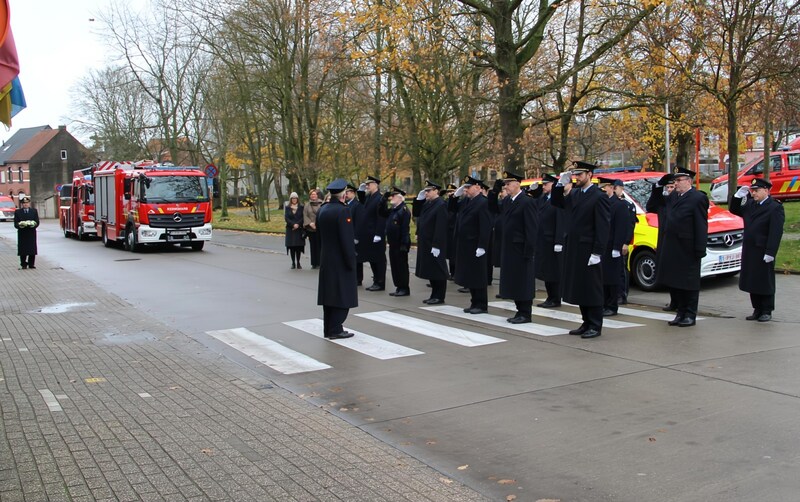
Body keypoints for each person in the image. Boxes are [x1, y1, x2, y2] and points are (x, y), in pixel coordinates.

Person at [551, 161, 610, 339]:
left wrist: (598, 252)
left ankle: (595, 324)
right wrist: (560, 184)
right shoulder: (575, 193)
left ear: (590, 175)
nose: (577, 178)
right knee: (580, 287)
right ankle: (586, 322)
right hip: (575, 247)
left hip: (589, 248)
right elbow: (557, 202)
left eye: (580, 174)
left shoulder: (599, 196)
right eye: (575, 175)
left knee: (592, 288)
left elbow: (603, 226)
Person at [646, 167, 708, 327]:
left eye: (679, 180)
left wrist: (700, 248)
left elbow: (701, 225)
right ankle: (680, 312)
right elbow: (653, 205)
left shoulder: (697, 198)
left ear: (688, 181)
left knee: (689, 283)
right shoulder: (673, 196)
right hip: (672, 246)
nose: (676, 183)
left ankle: (690, 314)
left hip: (688, 247)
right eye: (675, 181)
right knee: (677, 282)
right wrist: (658, 187)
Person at [729, 178, 785, 322]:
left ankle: (766, 309)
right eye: (752, 191)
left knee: (764, 280)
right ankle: (757, 308)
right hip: (750, 248)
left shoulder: (774, 207)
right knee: (752, 279)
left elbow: (776, 232)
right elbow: (734, 210)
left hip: (763, 249)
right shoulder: (750, 205)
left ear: (766, 190)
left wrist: (771, 252)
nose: (754, 194)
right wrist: (737, 197)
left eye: (757, 190)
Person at [495, 171, 539, 323]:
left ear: (517, 184)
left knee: (523, 281)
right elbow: (493, 208)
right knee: (513, 280)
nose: (506, 186)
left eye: (509, 184)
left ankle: (525, 313)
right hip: (509, 248)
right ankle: (519, 310)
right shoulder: (508, 201)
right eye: (505, 184)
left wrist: (529, 251)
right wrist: (494, 191)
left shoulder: (527, 202)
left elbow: (531, 229)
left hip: (521, 249)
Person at [316, 179, 357, 339]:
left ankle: (329, 328)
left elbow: (319, 237)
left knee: (330, 296)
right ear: (344, 194)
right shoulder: (343, 211)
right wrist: (351, 261)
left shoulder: (323, 209)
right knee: (342, 295)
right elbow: (346, 239)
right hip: (340, 260)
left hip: (327, 258)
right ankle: (336, 329)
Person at [453, 176, 492, 314]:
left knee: (478, 275)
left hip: (476, 244)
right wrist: (454, 196)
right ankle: (474, 302)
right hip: (465, 244)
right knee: (469, 275)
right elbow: (452, 209)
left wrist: (482, 245)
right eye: (465, 188)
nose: (466, 190)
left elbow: (485, 226)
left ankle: (481, 304)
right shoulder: (466, 202)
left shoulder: (483, 203)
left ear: (477, 187)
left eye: (468, 188)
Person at [597, 178, 630, 316]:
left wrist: (618, 246)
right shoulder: (604, 203)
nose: (603, 190)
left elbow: (621, 227)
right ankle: (604, 303)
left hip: (612, 246)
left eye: (604, 187)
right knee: (603, 277)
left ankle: (612, 305)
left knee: (612, 277)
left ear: (611, 188)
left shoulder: (619, 205)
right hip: (603, 245)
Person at [414, 180, 449, 304]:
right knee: (431, 270)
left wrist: (437, 245)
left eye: (429, 191)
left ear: (436, 191)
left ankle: (439, 296)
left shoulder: (441, 204)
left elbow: (440, 226)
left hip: (435, 243)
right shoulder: (428, 204)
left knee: (438, 270)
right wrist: (418, 200)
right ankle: (434, 294)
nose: (426, 193)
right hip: (426, 242)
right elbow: (418, 216)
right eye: (425, 191)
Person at [646, 175, 678, 311]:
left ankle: (680, 303)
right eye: (668, 187)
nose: (670, 190)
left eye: (672, 187)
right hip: (664, 243)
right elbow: (650, 206)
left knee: (678, 276)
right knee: (669, 275)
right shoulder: (663, 202)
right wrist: (657, 187)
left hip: (677, 244)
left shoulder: (679, 202)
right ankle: (673, 302)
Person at [534, 174, 564, 308]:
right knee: (545, 270)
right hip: (542, 240)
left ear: (553, 184)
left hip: (552, 241)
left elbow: (560, 221)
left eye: (546, 184)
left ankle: (555, 297)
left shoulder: (557, 199)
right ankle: (549, 296)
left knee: (553, 271)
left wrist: (558, 241)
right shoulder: (542, 198)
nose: (544, 186)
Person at [356, 175, 387, 291]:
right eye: (366, 184)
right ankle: (376, 281)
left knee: (378, 259)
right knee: (372, 259)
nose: (367, 186)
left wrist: (379, 233)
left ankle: (380, 282)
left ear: (376, 185)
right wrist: (360, 190)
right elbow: (362, 202)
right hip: (369, 234)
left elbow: (381, 217)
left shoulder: (380, 198)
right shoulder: (370, 197)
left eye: (369, 184)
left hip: (376, 234)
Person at [380, 186, 411, 297]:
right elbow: (382, 212)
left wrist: (404, 243)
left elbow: (404, 229)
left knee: (401, 266)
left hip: (400, 243)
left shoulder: (403, 210)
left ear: (400, 198)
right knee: (394, 265)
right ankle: (398, 286)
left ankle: (404, 287)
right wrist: (383, 199)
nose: (391, 198)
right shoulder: (393, 210)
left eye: (393, 196)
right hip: (393, 243)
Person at [613, 179, 637, 305]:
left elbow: (630, 225)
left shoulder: (627, 204)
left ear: (621, 188)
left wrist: (626, 242)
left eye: (616, 188)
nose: (614, 190)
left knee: (622, 269)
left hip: (623, 243)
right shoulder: (612, 203)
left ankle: (622, 295)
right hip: (614, 243)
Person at [345, 184, 365, 285]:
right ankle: (352, 277)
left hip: (354, 235)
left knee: (357, 258)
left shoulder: (357, 205)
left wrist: (356, 236)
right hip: (348, 235)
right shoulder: (347, 204)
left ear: (353, 193)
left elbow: (359, 222)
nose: (346, 195)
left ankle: (358, 278)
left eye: (347, 193)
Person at [14, 195, 39, 269]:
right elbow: (16, 223)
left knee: (32, 249)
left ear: (29, 203)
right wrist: (21, 225)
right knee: (23, 249)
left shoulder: (34, 211)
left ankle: (31, 264)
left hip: (31, 233)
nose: (25, 204)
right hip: (22, 233)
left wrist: (33, 225)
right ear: (22, 204)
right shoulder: (18, 212)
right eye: (24, 203)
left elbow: (37, 221)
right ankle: (23, 264)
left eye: (27, 203)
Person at [284, 192, 306, 269]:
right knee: (292, 247)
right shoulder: (287, 207)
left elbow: (303, 217)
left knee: (298, 247)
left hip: (299, 230)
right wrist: (293, 224)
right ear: (290, 199)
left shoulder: (301, 207)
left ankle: (298, 262)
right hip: (290, 230)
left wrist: (298, 224)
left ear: (297, 199)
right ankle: (293, 262)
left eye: (295, 198)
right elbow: (286, 218)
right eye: (292, 198)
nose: (294, 200)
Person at [303, 189, 323, 269]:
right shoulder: (307, 205)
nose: (313, 196)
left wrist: (316, 223)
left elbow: (323, 214)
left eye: (314, 194)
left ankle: (320, 262)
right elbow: (305, 215)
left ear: (317, 195)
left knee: (320, 246)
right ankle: (314, 263)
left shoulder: (322, 203)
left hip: (319, 228)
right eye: (311, 194)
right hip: (310, 229)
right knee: (313, 246)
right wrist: (310, 223)